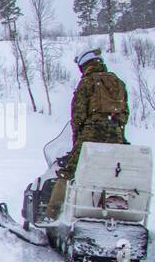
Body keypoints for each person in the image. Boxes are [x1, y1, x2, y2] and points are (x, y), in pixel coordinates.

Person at [47, 47, 130, 219]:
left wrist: (78, 139)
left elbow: (77, 116)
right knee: (112, 171)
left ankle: (52, 214)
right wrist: (117, 130)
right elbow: (125, 112)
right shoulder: (118, 82)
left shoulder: (87, 83)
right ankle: (114, 210)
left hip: (91, 132)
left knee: (69, 172)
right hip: (116, 133)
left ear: (83, 66)